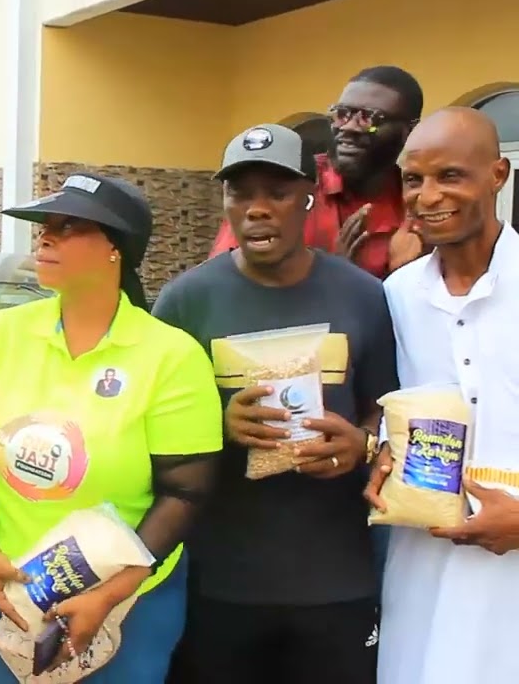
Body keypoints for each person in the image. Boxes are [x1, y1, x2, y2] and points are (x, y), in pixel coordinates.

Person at [0, 174, 224, 682]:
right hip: (9, 590)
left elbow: (185, 493)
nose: (45, 238)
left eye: (68, 227)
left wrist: (108, 595)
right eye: (45, 226)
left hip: (129, 601)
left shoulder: (171, 355)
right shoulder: (3, 334)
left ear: (117, 249)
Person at [157, 124, 398, 684]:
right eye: (240, 193)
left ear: (309, 197)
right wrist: (217, 424)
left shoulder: (363, 295)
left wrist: (359, 443)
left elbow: (387, 407)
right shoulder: (185, 302)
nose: (257, 209)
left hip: (338, 581)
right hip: (218, 583)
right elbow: (151, 425)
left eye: (277, 192)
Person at [365, 107, 519, 684]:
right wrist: (378, 452)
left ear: (498, 175)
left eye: (450, 175)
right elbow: (393, 408)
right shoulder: (399, 294)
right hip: (423, 567)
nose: (427, 196)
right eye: (412, 179)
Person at [209, 66, 427, 279]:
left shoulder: (416, 203)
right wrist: (332, 275)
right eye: (342, 114)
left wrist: (407, 276)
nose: (349, 127)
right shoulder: (289, 181)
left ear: (409, 130)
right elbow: (220, 283)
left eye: (370, 118)